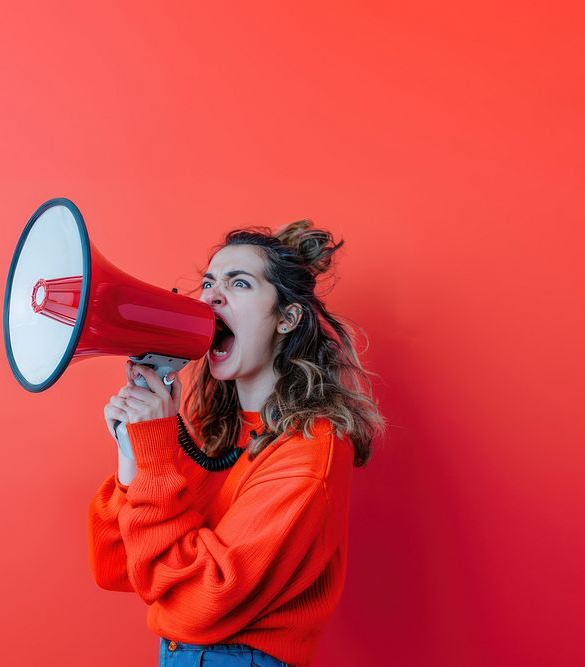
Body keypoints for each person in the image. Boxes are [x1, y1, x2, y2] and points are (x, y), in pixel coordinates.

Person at [87, 220, 386, 667]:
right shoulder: (221, 437)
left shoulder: (308, 449)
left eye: (239, 283)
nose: (210, 297)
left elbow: (199, 603)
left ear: (286, 318)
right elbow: (117, 567)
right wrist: (133, 453)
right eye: (208, 284)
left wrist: (157, 456)